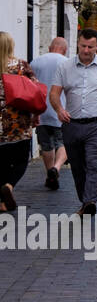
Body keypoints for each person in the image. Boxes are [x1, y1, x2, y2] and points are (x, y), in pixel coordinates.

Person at [48, 29, 97, 217]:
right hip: (72, 124)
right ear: (78, 44)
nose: (86, 50)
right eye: (83, 46)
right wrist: (60, 109)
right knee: (77, 166)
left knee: (94, 163)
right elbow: (54, 93)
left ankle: (90, 200)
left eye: (90, 47)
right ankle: (85, 202)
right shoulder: (65, 67)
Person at [0, 31, 39, 213]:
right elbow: (34, 91)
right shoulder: (20, 66)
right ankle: (9, 186)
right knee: (21, 160)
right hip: (18, 123)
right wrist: (36, 114)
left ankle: (2, 202)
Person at [29, 36, 69, 190]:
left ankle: (49, 175)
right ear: (64, 50)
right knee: (63, 143)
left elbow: (30, 87)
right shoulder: (66, 63)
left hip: (41, 111)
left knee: (46, 145)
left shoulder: (35, 62)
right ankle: (57, 168)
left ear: (50, 47)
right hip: (61, 109)